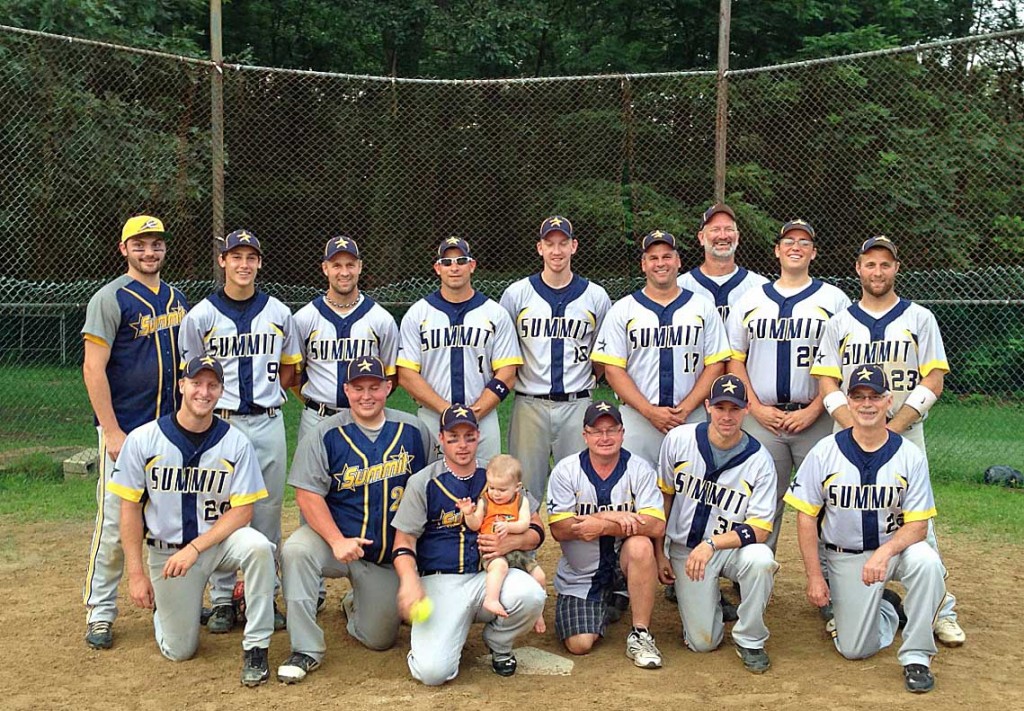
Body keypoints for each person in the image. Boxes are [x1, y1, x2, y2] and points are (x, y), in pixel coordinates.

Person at [810, 235, 964, 647]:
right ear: (857, 269)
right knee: (837, 514)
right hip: (847, 434)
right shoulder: (839, 322)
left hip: (904, 432)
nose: (877, 272)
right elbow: (826, 378)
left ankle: (939, 611)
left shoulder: (919, 318)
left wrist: (891, 429)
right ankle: (840, 603)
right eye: (870, 264)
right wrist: (852, 424)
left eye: (885, 264)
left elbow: (934, 377)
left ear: (896, 269)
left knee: (917, 524)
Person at [109, 356, 276, 686]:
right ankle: (170, 610)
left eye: (212, 385)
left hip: (217, 543)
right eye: (196, 383)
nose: (204, 391)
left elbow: (243, 512)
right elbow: (128, 510)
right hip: (169, 555)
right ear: (181, 386)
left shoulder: (235, 442)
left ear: (220, 392)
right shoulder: (144, 440)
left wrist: (196, 548)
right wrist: (136, 573)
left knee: (259, 547)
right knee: (179, 650)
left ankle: (257, 646)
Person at [784, 364, 945, 694]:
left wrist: (885, 553)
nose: (867, 404)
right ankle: (886, 608)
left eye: (875, 396)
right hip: (846, 556)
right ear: (847, 402)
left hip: (896, 550)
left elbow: (917, 526)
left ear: (889, 401)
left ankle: (917, 656)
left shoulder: (908, 455)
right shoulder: (825, 451)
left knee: (928, 563)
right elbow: (804, 517)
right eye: (858, 397)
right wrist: (816, 576)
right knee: (854, 649)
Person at [276, 356, 432, 684]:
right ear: (346, 390)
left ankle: (354, 603)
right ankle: (305, 648)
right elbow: (307, 494)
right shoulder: (325, 434)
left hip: (384, 556)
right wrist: (335, 540)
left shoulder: (414, 430)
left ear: (388, 387)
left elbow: (431, 487)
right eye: (358, 388)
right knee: (296, 550)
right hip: (334, 542)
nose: (366, 395)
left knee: (380, 640)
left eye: (374, 387)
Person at [178, 228, 301, 632]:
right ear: (223, 261)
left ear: (260, 263)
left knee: (265, 514)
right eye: (236, 257)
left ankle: (260, 597)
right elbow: (194, 377)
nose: (243, 264)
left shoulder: (280, 313)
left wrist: (265, 396)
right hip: (222, 424)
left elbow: (288, 370)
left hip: (266, 420)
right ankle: (220, 599)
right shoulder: (201, 316)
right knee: (217, 511)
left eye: (251, 257)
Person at [81, 214, 189, 650]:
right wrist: (110, 431)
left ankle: (170, 602)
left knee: (167, 523)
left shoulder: (176, 297)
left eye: (156, 244)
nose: (149, 252)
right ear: (123, 249)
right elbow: (93, 368)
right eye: (140, 244)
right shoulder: (109, 299)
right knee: (113, 526)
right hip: (126, 432)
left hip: (169, 433)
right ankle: (100, 611)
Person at [391, 405, 546, 685]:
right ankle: (443, 636)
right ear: (441, 439)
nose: (462, 445)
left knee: (532, 594)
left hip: (490, 576)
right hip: (442, 581)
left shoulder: (497, 475)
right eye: (453, 437)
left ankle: (498, 642)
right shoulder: (423, 482)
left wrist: (515, 540)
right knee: (433, 673)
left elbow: (536, 528)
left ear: (478, 437)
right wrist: (409, 580)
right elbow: (404, 541)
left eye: (469, 436)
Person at [726, 219, 851, 551]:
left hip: (817, 417)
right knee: (757, 501)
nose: (796, 247)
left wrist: (814, 410)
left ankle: (829, 580)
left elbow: (842, 362)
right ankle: (752, 577)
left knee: (828, 498)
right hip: (762, 417)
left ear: (814, 253)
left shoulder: (834, 300)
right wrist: (754, 407)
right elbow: (735, 358)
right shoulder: (750, 300)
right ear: (777, 251)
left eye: (804, 242)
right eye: (789, 241)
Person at [655, 374, 779, 674]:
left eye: (734, 409)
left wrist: (712, 544)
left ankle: (750, 638)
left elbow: (761, 529)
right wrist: (660, 553)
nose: (727, 416)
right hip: (687, 550)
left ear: (746, 410)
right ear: (708, 406)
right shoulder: (679, 440)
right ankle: (707, 602)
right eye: (720, 407)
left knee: (761, 559)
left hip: (730, 548)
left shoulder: (760, 460)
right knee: (703, 643)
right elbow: (664, 499)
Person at [592, 229, 731, 466]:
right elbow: (613, 369)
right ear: (643, 264)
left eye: (667, 256)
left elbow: (716, 364)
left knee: (691, 492)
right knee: (636, 491)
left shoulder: (702, 307)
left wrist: (686, 409)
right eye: (653, 258)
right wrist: (649, 411)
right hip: (637, 418)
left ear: (678, 261)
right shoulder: (623, 310)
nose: (660, 263)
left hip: (691, 415)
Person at [547, 400, 667, 668]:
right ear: (585, 435)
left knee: (640, 546)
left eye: (612, 430)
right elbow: (560, 529)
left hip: (623, 564)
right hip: (582, 574)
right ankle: (605, 600)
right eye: (597, 431)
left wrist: (602, 525)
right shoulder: (566, 471)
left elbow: (656, 525)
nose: (605, 437)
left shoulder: (639, 469)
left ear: (622, 433)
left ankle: (641, 633)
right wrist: (610, 516)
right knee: (579, 645)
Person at [500, 215, 611, 500]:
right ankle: (522, 546)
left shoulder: (595, 296)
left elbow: (603, 354)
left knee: (581, 487)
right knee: (522, 489)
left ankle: (580, 546)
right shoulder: (517, 294)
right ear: (540, 248)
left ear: (574, 246)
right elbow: (505, 350)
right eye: (550, 244)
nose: (557, 251)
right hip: (529, 402)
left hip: (578, 403)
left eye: (563, 243)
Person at [397, 237, 522, 460]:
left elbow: (508, 373)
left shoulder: (494, 313)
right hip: (433, 417)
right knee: (432, 485)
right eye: (447, 262)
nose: (454, 267)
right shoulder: (418, 314)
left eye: (461, 261)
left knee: (486, 485)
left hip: (482, 418)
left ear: (472, 265)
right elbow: (406, 375)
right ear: (438, 268)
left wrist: (475, 411)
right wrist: (447, 410)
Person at [293, 235, 400, 447]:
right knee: (312, 480)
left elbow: (391, 377)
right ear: (325, 268)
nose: (344, 272)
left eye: (350, 265)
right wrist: (313, 401)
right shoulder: (304, 319)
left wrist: (367, 403)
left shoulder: (381, 319)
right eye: (336, 265)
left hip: (366, 417)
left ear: (360, 267)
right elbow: (294, 375)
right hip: (317, 417)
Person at [457, 454, 540, 629]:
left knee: (539, 575)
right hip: (492, 551)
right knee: (499, 568)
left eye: (502, 489)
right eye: (492, 487)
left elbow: (525, 523)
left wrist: (509, 527)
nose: (495, 493)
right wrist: (468, 514)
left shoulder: (521, 501)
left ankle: (538, 613)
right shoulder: (485, 501)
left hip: (518, 551)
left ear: (517, 487)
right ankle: (491, 599)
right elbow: (475, 525)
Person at [677, 203, 768, 323]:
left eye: (729, 229)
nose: (723, 236)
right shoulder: (681, 287)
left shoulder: (760, 287)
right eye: (715, 229)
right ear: (701, 237)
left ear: (737, 236)